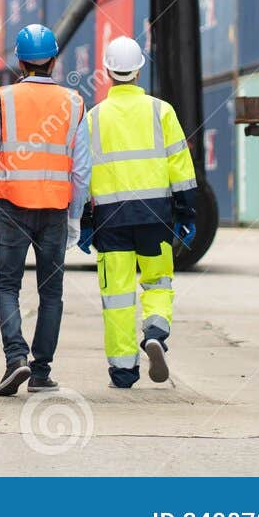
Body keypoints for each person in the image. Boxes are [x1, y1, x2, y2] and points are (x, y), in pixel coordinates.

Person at [0, 24, 91, 396]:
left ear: (20, 62)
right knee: (51, 292)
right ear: (54, 60)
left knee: (7, 285)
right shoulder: (74, 102)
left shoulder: (3, 98)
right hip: (55, 208)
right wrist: (75, 216)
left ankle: (16, 359)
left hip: (13, 203)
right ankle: (40, 373)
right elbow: (82, 169)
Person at [78, 36, 199, 389]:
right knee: (157, 281)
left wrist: (84, 221)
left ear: (107, 71)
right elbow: (180, 165)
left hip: (110, 220)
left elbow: (82, 175)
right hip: (155, 217)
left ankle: (123, 371)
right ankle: (156, 332)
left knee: (117, 296)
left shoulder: (93, 118)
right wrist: (186, 212)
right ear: (139, 71)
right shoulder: (162, 111)